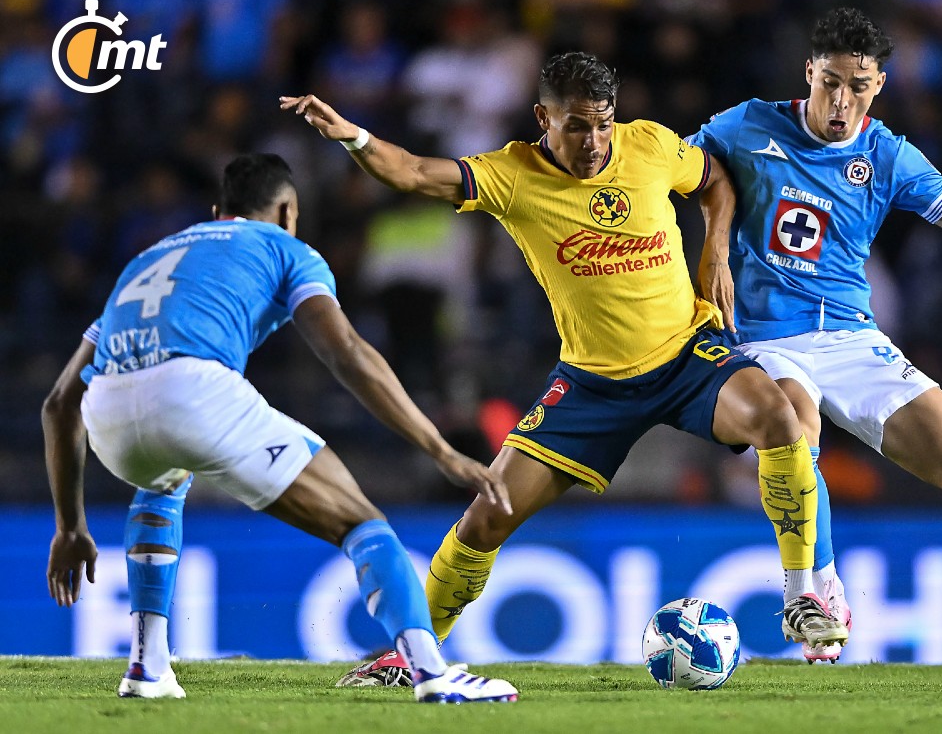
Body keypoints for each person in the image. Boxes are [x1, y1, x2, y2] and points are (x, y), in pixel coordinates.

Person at [281, 51, 850, 686]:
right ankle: (411, 655)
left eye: (603, 123)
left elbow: (714, 178)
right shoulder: (513, 175)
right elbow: (413, 171)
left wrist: (715, 249)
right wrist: (354, 137)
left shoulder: (650, 145)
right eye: (577, 126)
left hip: (687, 355)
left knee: (778, 417)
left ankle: (805, 593)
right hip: (591, 385)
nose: (594, 141)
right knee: (488, 513)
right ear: (543, 118)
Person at [42, 153, 519, 704]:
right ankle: (431, 672)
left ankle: (147, 666)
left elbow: (58, 404)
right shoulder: (286, 248)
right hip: (191, 389)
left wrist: (70, 527)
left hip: (107, 413)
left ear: (217, 212)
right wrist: (438, 447)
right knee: (361, 522)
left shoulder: (148, 259)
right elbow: (345, 351)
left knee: (163, 480)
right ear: (289, 211)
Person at [687, 7, 942, 683]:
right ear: (809, 72)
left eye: (858, 87)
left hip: (852, 337)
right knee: (794, 425)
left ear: (880, 85)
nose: (842, 101)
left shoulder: (887, 155)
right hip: (767, 337)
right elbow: (678, 170)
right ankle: (814, 587)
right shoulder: (746, 125)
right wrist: (713, 245)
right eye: (830, 82)